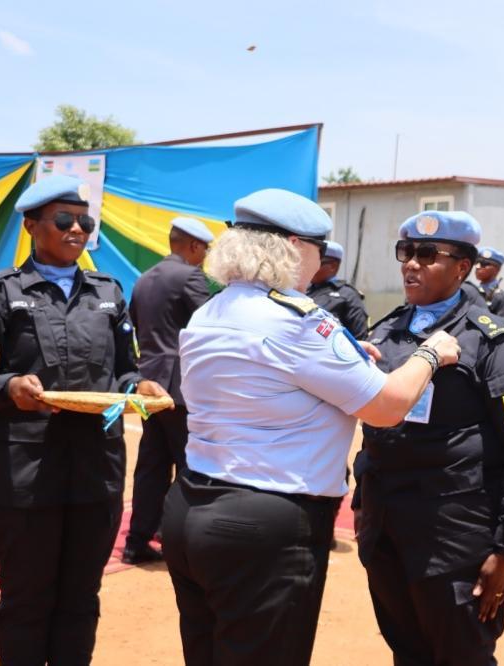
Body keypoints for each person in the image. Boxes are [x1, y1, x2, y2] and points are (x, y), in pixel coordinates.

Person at [160, 188, 461, 666]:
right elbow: (387, 406)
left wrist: (346, 359)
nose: (319, 267)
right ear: (295, 247)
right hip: (264, 521)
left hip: (191, 505)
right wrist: (430, 354)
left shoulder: (211, 311)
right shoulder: (298, 320)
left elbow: (270, 380)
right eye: (319, 253)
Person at [0, 174, 169, 665]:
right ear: (31, 226)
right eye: (64, 220)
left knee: (80, 601)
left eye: (85, 221)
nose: (78, 229)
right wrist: (10, 389)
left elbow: (123, 373)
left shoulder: (109, 292)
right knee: (25, 603)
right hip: (24, 479)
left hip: (97, 475)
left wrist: (138, 389)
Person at [352, 209, 504, 665]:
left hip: (455, 538)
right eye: (406, 253)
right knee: (408, 650)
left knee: (461, 656)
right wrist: (364, 500)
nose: (411, 265)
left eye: (427, 255)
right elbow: (373, 425)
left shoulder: (496, 342)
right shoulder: (387, 331)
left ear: (462, 267)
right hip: (388, 531)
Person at [122, 217, 213, 564]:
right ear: (192, 246)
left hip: (149, 382)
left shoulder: (144, 278)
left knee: (152, 463)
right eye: (204, 249)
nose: (204, 256)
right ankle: (182, 540)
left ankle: (138, 540)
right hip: (181, 385)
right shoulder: (190, 276)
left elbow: (138, 325)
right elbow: (210, 324)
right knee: (191, 464)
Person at [306, 240, 369, 339]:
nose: (311, 267)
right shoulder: (304, 290)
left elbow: (360, 338)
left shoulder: (348, 296)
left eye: (318, 263)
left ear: (333, 266)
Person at [472, 246, 504, 317]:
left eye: (484, 264)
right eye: (476, 262)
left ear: (497, 269)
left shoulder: (500, 297)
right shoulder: (472, 291)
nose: (477, 266)